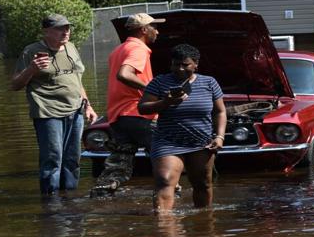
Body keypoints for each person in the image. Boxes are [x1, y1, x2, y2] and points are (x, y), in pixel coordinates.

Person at [11, 13, 99, 194]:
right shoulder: (31, 51)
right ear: (46, 31)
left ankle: (70, 198)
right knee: (52, 159)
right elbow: (15, 84)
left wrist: (88, 105)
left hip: (75, 112)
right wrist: (32, 69)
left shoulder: (71, 48)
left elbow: (77, 80)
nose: (65, 32)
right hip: (48, 113)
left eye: (67, 27)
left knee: (73, 159)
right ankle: (51, 204)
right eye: (60, 28)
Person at [137, 43, 225, 212]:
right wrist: (166, 102)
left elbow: (219, 111)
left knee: (203, 183)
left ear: (196, 64)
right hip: (168, 141)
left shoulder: (209, 82)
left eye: (186, 65)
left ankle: (204, 222)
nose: (180, 69)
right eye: (176, 64)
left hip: (201, 142)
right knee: (165, 180)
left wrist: (220, 136)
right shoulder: (159, 82)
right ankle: (165, 226)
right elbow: (142, 108)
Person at [92, 12, 165, 195]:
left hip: (119, 118)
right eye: (154, 27)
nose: (157, 32)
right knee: (165, 159)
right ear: (143, 29)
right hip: (141, 115)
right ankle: (171, 202)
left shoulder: (118, 50)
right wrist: (152, 89)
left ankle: (102, 196)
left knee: (117, 166)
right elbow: (124, 74)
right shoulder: (139, 49)